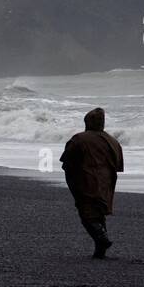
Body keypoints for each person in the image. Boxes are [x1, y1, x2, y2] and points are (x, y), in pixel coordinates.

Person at [59, 107, 124, 259]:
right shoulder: (113, 141)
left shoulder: (79, 139)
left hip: (86, 179)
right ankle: (100, 249)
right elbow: (119, 164)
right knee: (99, 213)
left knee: (87, 212)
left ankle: (102, 239)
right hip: (107, 180)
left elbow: (67, 161)